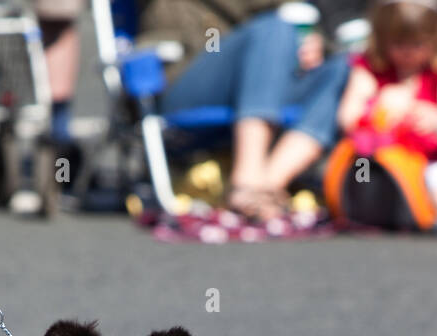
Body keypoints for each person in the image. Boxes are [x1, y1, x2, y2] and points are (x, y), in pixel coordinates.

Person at [139, 0, 352, 219]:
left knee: (347, 65)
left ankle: (270, 184)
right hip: (190, 73)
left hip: (263, 74)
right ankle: (246, 181)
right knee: (272, 29)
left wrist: (315, 44)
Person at [336, 0, 437, 222]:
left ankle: (419, 211)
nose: (408, 52)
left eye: (418, 43)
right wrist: (376, 105)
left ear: (436, 38)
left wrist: (434, 118)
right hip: (381, 164)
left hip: (432, 163)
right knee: (354, 184)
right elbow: (347, 121)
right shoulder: (370, 68)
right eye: (399, 43)